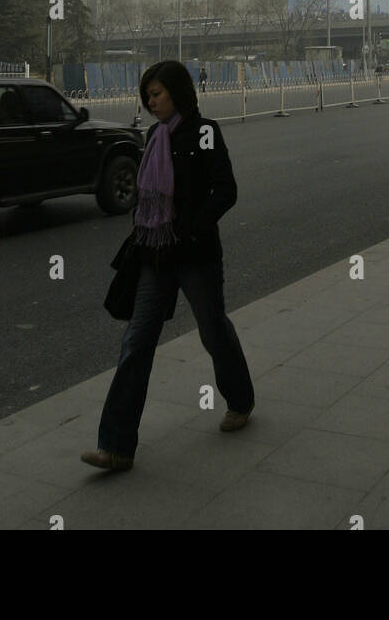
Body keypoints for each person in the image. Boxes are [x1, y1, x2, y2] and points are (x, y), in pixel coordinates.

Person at [81, 59, 254, 471]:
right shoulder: (154, 136)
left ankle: (240, 399)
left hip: (194, 255)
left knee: (213, 331)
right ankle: (116, 446)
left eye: (157, 94)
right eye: (148, 96)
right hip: (155, 256)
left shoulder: (205, 132)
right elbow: (146, 195)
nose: (151, 102)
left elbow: (225, 190)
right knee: (136, 343)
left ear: (178, 92)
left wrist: (190, 228)